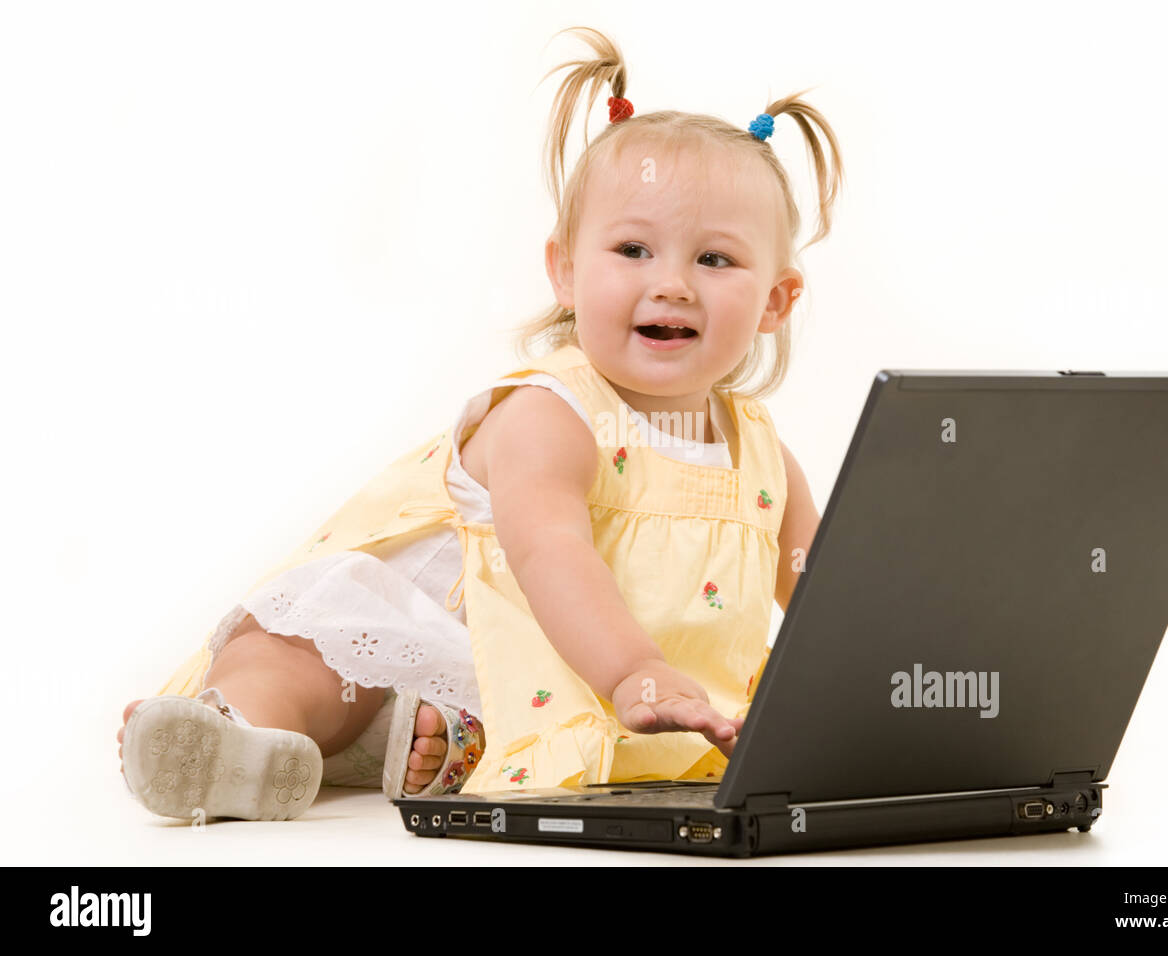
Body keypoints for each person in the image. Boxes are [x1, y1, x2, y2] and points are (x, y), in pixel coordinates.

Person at [117, 25, 841, 820]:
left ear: (776, 301)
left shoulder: (763, 458)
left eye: (715, 260)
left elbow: (826, 597)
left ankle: (441, 741)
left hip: (552, 686)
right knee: (303, 658)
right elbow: (551, 550)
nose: (672, 284)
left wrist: (891, 683)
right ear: (565, 269)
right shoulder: (548, 415)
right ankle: (234, 735)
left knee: (503, 716)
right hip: (428, 634)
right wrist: (634, 670)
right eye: (634, 250)